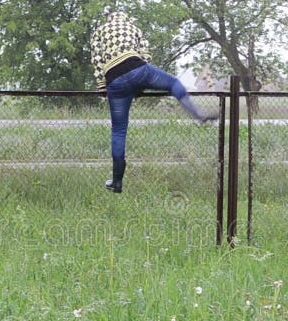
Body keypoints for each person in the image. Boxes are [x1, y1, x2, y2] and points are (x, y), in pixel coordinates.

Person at [91, 11, 217, 193]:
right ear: (125, 19)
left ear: (109, 19)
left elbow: (97, 60)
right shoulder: (133, 28)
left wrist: (102, 86)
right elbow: (145, 55)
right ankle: (198, 114)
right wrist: (140, 83)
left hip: (115, 80)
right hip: (137, 69)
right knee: (173, 84)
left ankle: (117, 182)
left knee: (118, 130)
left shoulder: (100, 31)